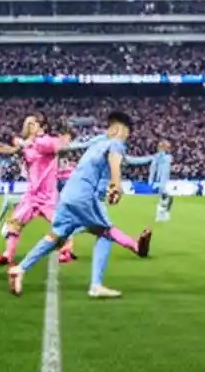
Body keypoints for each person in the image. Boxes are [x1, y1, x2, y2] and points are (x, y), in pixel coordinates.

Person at [8, 111, 151, 299]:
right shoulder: (115, 142)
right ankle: (98, 284)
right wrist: (117, 185)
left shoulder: (97, 142)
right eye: (126, 133)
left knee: (54, 238)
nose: (126, 138)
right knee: (106, 233)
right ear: (117, 129)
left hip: (68, 194)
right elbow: (114, 160)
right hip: (84, 195)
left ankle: (20, 269)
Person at [0, 114, 76, 265]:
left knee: (61, 223)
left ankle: (66, 251)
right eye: (28, 124)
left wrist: (26, 142)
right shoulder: (28, 146)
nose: (30, 126)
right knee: (14, 222)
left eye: (33, 124)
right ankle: (8, 254)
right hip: (32, 194)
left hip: (47, 196)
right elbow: (15, 149)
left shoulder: (46, 141)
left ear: (42, 127)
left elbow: (56, 146)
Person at [127, 139, 174, 222]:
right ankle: (162, 214)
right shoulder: (157, 157)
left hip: (164, 181)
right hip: (157, 181)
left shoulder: (167, 157)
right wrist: (127, 158)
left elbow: (164, 164)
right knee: (164, 196)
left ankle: (164, 214)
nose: (158, 148)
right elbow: (142, 160)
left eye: (161, 146)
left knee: (166, 196)